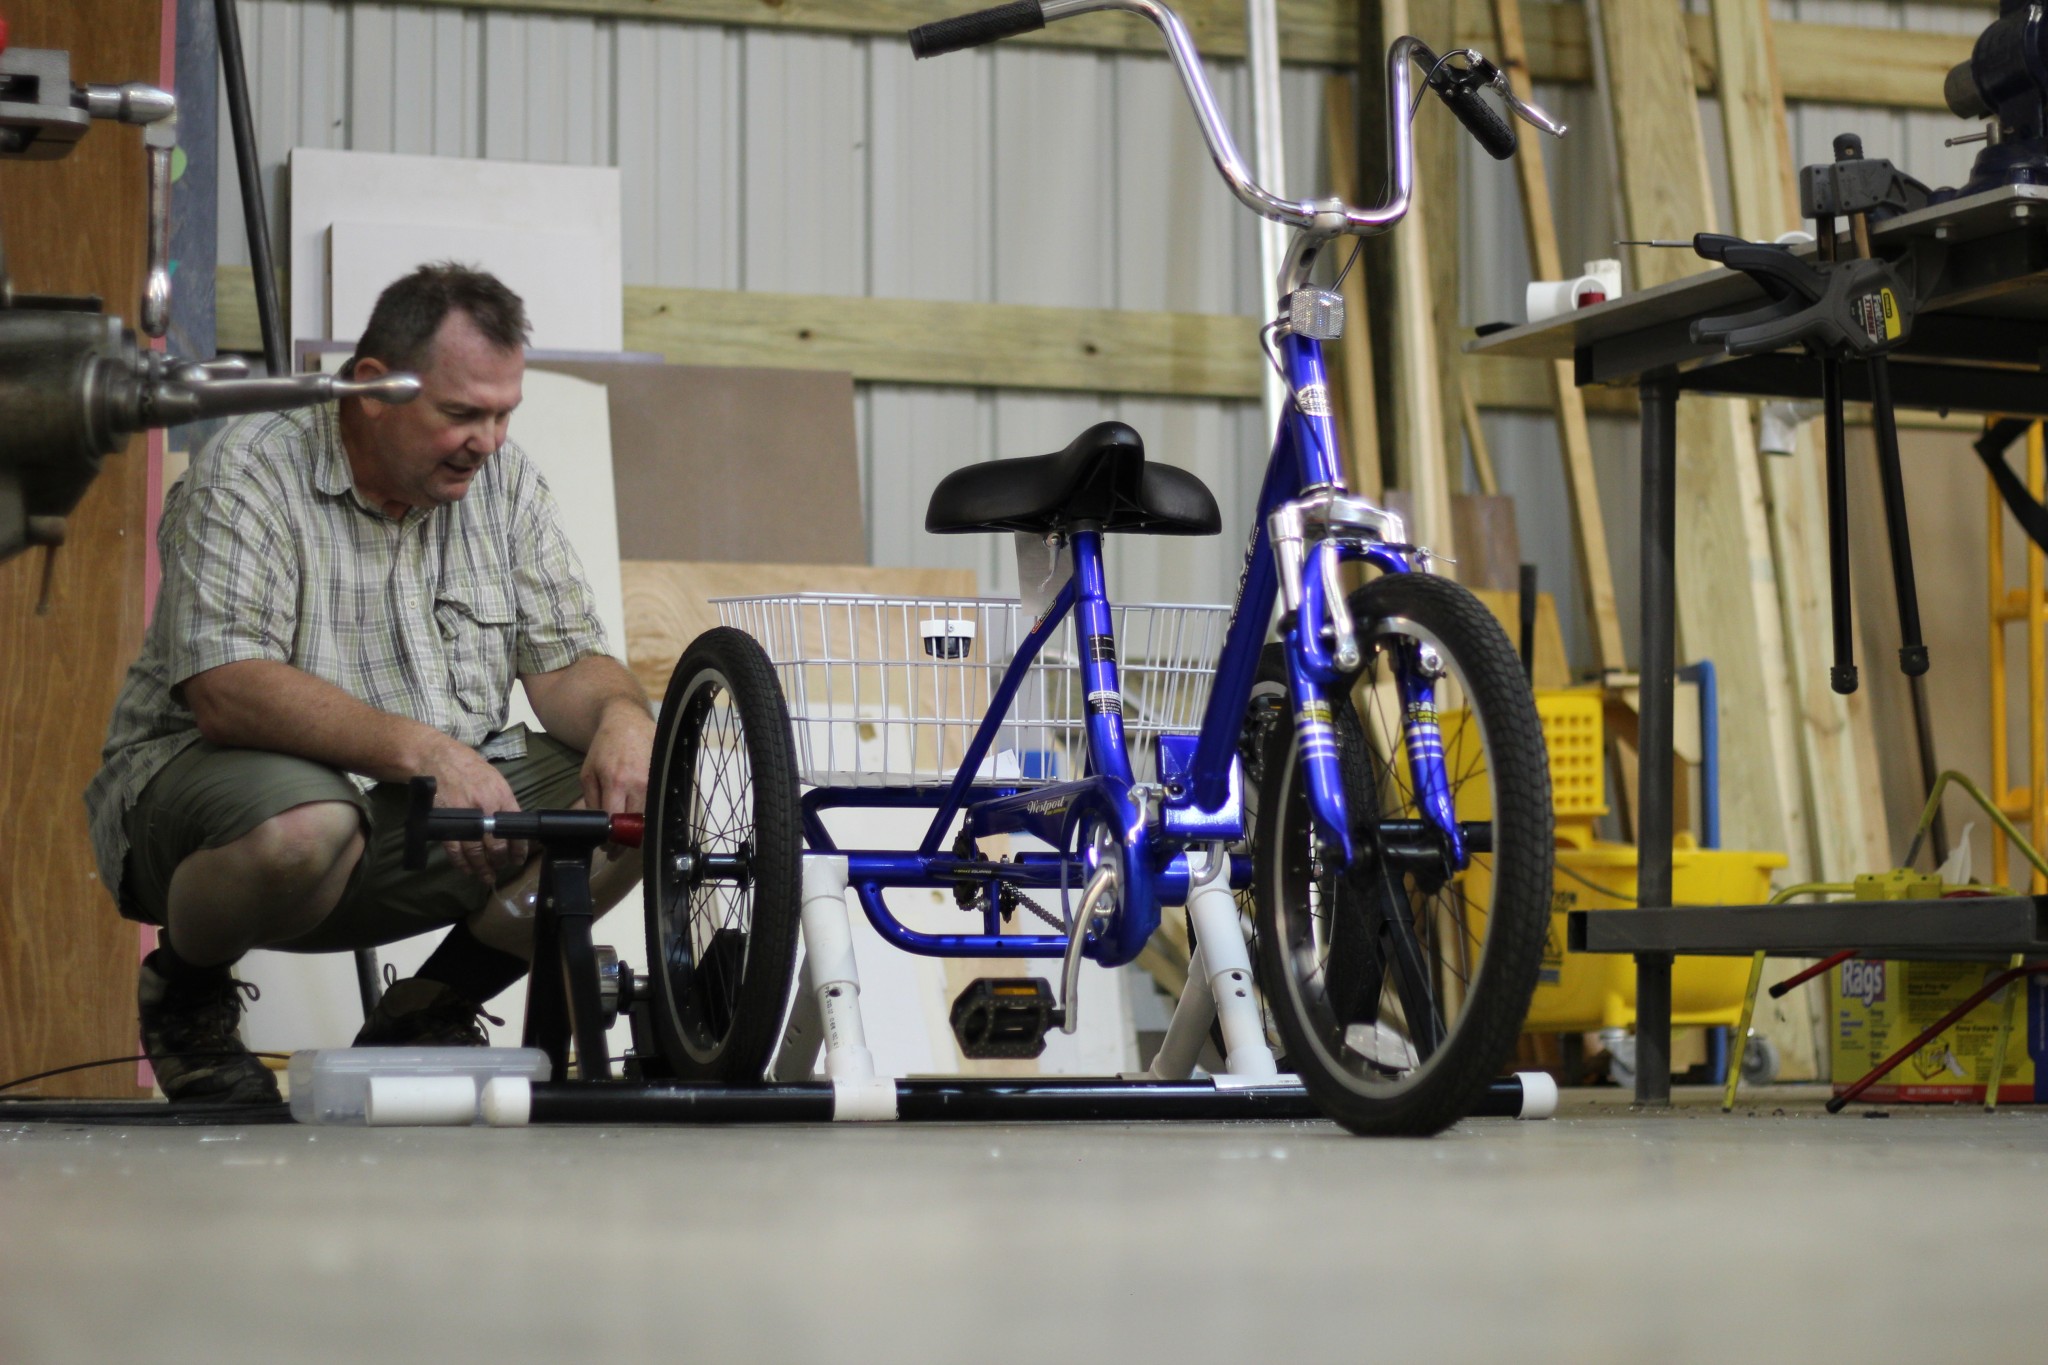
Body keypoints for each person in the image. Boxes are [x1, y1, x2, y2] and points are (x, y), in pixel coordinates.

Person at [85, 262, 653, 1103]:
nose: (488, 442)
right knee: (309, 823)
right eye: (461, 413)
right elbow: (226, 688)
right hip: (222, 820)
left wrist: (624, 717)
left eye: (503, 414)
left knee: (645, 796)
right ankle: (185, 992)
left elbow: (568, 661)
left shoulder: (504, 485)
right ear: (371, 387)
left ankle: (429, 1008)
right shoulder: (251, 471)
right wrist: (426, 752)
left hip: (415, 821)